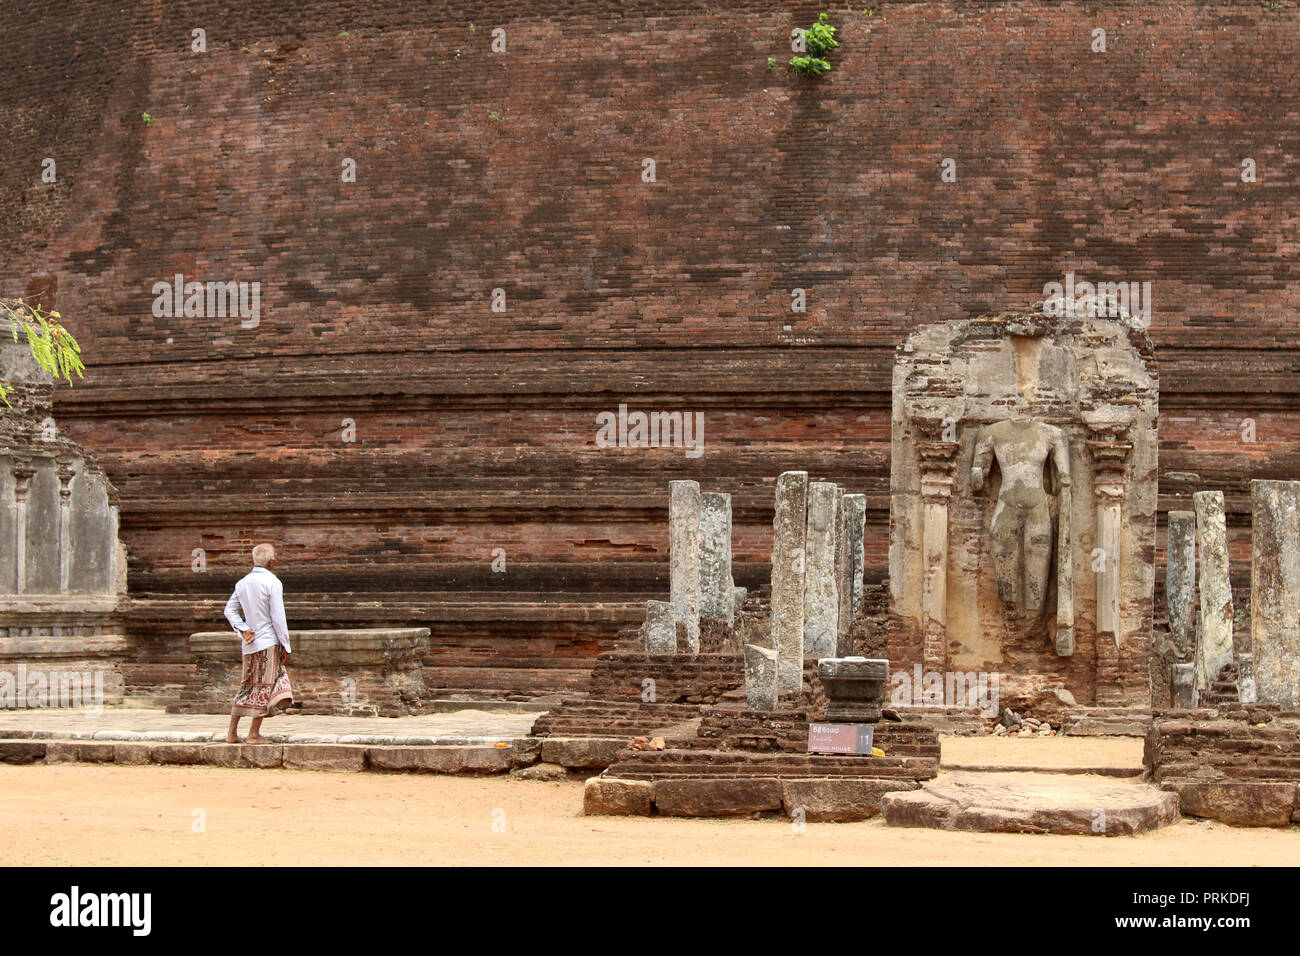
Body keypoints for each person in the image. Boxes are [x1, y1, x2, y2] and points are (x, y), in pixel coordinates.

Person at [223, 543, 293, 743]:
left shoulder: (243, 583)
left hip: (250, 643)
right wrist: (286, 645)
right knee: (265, 685)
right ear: (272, 561)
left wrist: (243, 629)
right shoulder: (272, 582)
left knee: (247, 685)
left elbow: (229, 610)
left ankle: (232, 733)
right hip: (268, 642)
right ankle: (253, 733)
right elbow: (278, 617)